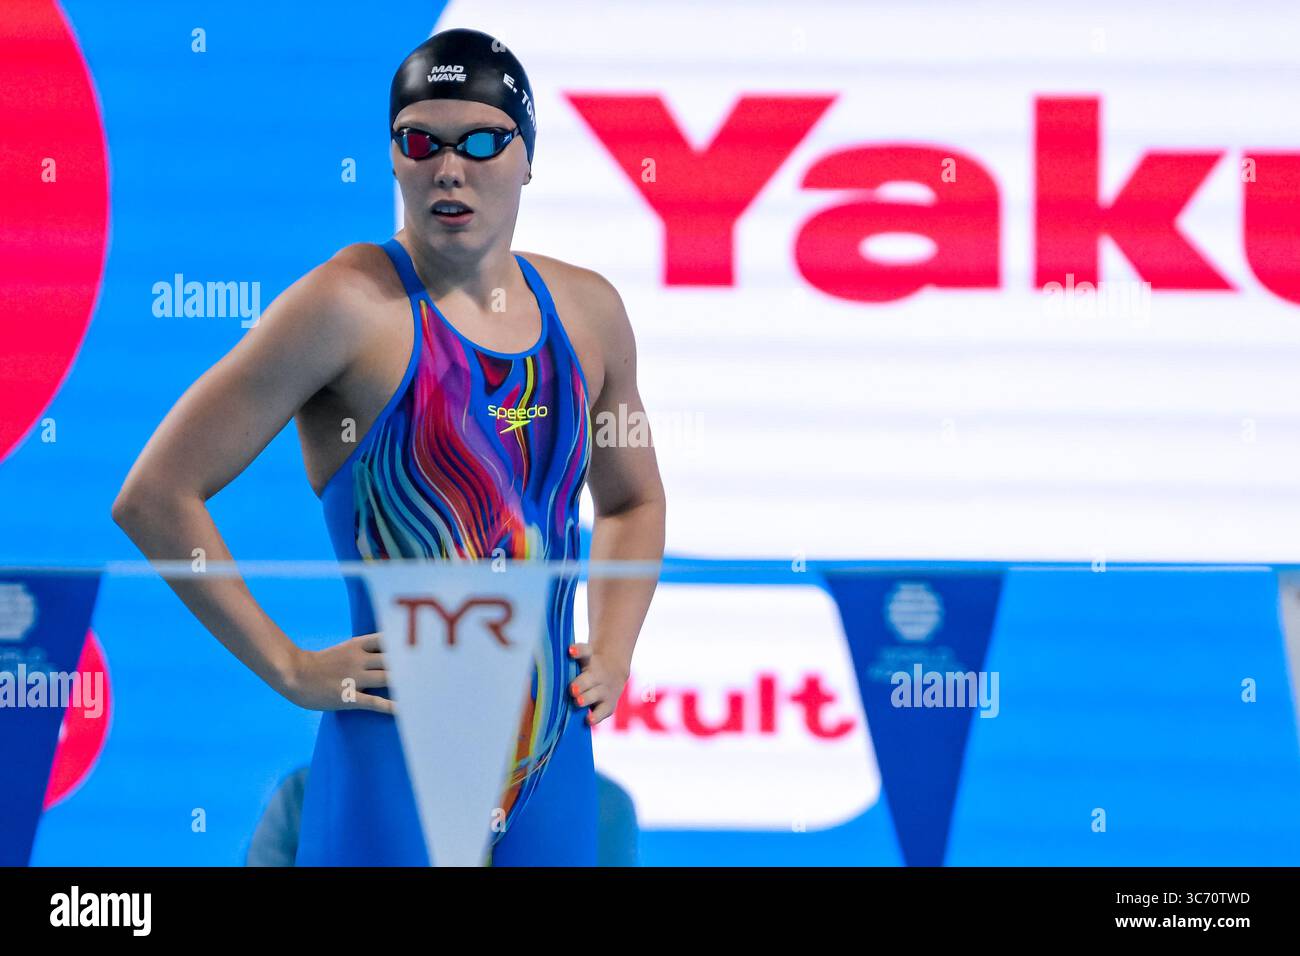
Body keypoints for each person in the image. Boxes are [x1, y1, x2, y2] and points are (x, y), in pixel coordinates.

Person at [112, 27, 665, 866]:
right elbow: (154, 494)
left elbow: (633, 500)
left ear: (527, 158)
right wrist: (290, 667)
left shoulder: (589, 315)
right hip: (391, 745)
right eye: (422, 142)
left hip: (551, 754)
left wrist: (615, 647)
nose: (451, 167)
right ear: (396, 159)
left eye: (483, 141)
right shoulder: (348, 307)